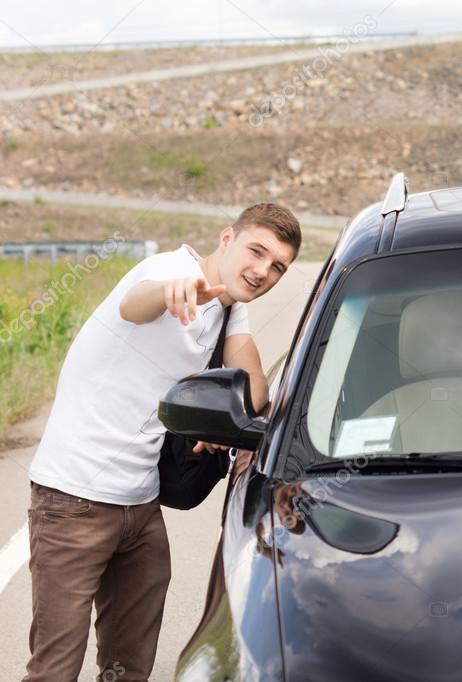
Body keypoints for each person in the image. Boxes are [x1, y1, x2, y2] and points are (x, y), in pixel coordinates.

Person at [24, 203, 301, 682]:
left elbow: (253, 390)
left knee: (129, 669)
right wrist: (171, 290)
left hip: (141, 506)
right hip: (73, 502)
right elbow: (136, 303)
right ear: (227, 239)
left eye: (278, 266)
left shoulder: (230, 305)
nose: (263, 271)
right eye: (256, 252)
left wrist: (218, 417)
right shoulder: (168, 270)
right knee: (54, 670)